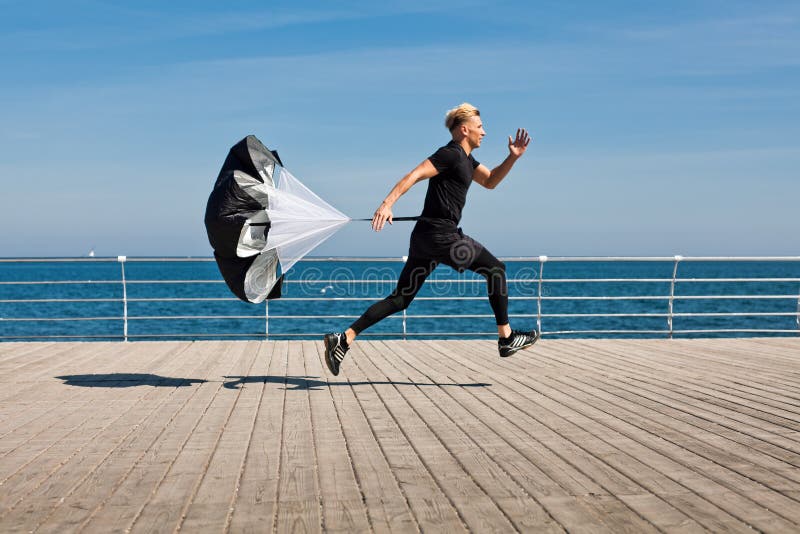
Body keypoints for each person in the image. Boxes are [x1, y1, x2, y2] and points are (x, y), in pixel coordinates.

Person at [324, 103, 538, 375]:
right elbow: (413, 175)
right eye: (480, 127)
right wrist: (387, 204)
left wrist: (513, 157)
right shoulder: (449, 154)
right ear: (464, 129)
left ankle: (343, 339)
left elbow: (492, 181)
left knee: (400, 299)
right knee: (496, 269)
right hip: (442, 237)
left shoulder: (467, 160)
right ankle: (506, 338)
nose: (484, 132)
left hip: (426, 239)